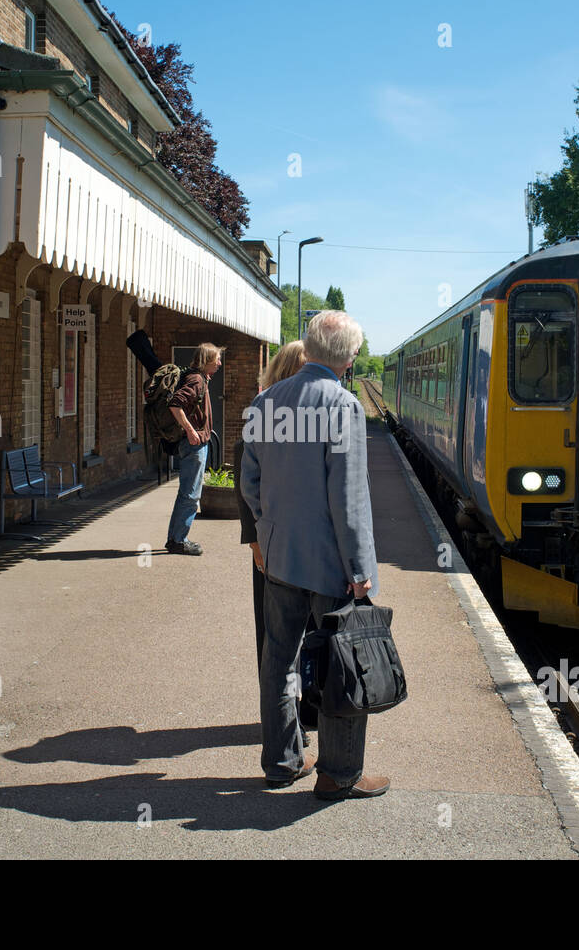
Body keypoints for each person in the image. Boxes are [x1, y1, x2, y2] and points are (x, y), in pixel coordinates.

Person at [241, 312, 388, 800]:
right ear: (348, 359)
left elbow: (250, 483)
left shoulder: (264, 403)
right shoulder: (342, 406)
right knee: (342, 664)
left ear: (307, 346)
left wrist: (270, 531)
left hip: (281, 559)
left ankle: (282, 763)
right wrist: (362, 569)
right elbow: (349, 498)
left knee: (278, 661)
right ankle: (339, 774)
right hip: (331, 566)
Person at [233, 342, 318, 744]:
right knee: (277, 640)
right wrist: (255, 545)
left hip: (287, 545)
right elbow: (245, 484)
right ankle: (286, 724)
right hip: (271, 548)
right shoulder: (264, 415)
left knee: (297, 638)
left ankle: (302, 715)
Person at [165, 343, 222, 555]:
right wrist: (191, 431)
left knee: (187, 493)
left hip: (196, 443)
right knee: (191, 494)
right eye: (216, 359)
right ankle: (179, 540)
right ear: (206, 360)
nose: (219, 363)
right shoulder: (196, 379)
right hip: (194, 445)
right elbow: (175, 404)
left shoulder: (199, 379)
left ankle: (175, 538)